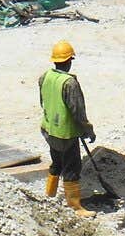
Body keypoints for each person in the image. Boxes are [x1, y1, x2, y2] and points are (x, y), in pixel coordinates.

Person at [38, 40, 96, 218]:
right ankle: (75, 207)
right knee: (72, 167)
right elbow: (78, 112)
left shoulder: (45, 77)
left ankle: (49, 196)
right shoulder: (69, 83)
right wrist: (88, 130)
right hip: (65, 133)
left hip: (49, 129)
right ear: (69, 61)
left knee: (57, 163)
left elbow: (43, 101)